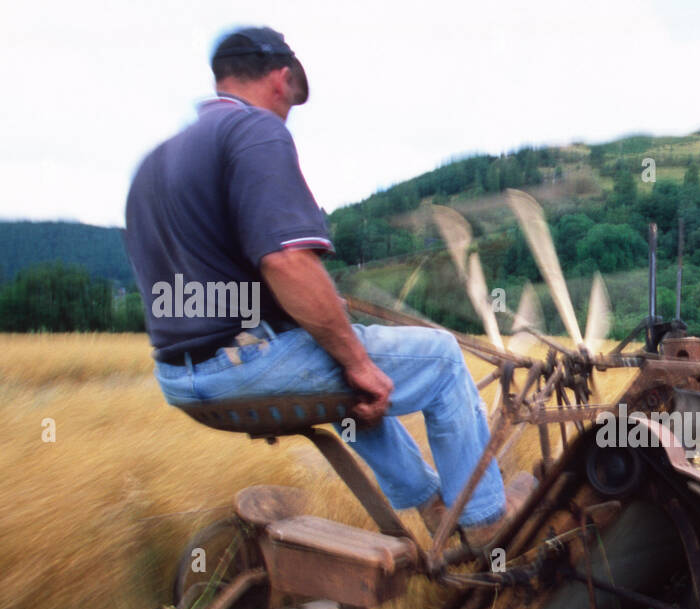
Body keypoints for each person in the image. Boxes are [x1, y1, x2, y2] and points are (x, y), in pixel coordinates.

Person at [124, 27, 509, 546]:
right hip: (246, 364)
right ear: (282, 80)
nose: (288, 114)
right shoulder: (256, 131)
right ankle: (488, 527)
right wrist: (357, 359)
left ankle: (432, 506)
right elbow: (287, 262)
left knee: (357, 393)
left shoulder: (154, 164)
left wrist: (352, 361)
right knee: (439, 360)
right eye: (291, 101)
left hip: (180, 379)